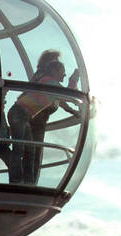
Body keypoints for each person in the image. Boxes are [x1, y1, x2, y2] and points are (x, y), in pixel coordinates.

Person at [5, 49, 80, 185]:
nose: (63, 75)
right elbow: (67, 94)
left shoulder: (48, 82)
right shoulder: (48, 81)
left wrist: (74, 111)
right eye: (61, 71)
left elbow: (61, 98)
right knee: (20, 148)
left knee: (30, 150)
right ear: (53, 70)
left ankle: (27, 181)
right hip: (20, 114)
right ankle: (17, 181)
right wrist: (74, 78)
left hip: (24, 116)